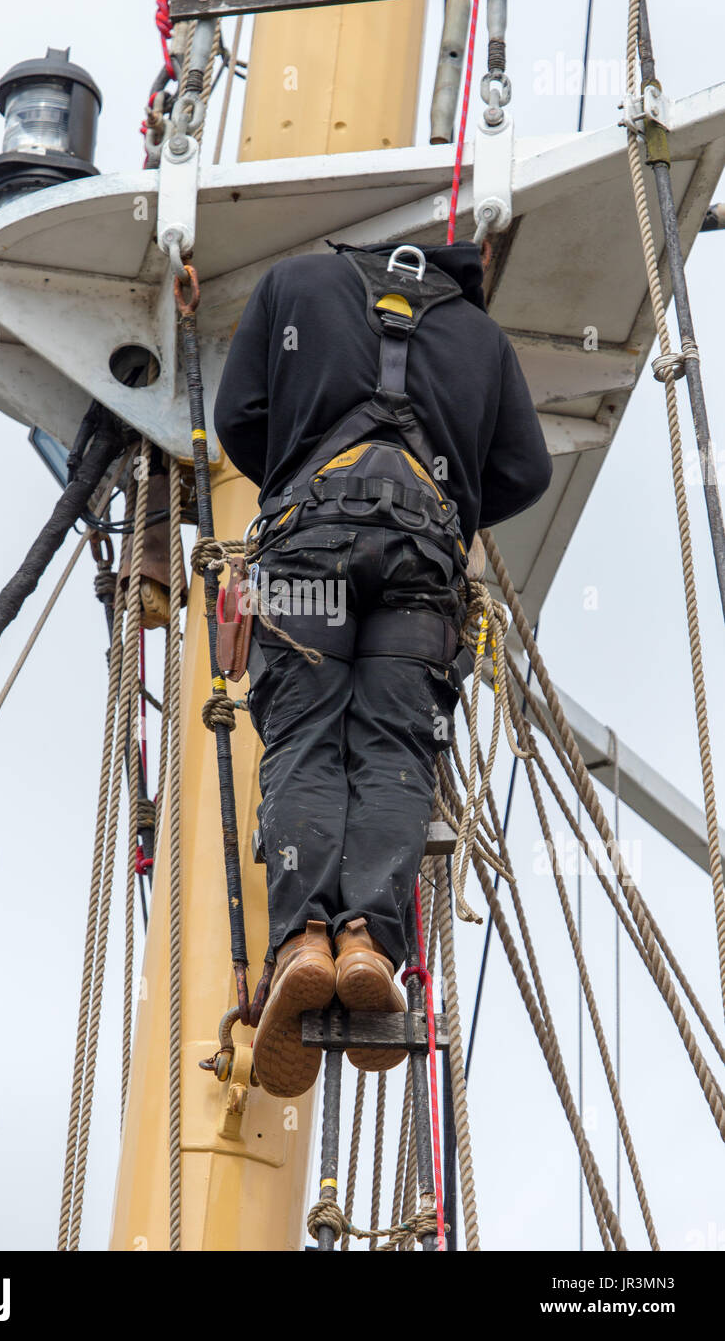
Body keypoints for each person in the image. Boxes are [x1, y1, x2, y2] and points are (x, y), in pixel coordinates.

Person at [213, 239, 551, 1098]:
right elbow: (524, 470)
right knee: (397, 748)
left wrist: (298, 474)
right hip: (422, 566)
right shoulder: (482, 336)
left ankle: (302, 944)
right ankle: (368, 941)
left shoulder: (294, 280)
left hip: (307, 550)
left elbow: (239, 416)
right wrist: (453, 499)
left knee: (306, 737)